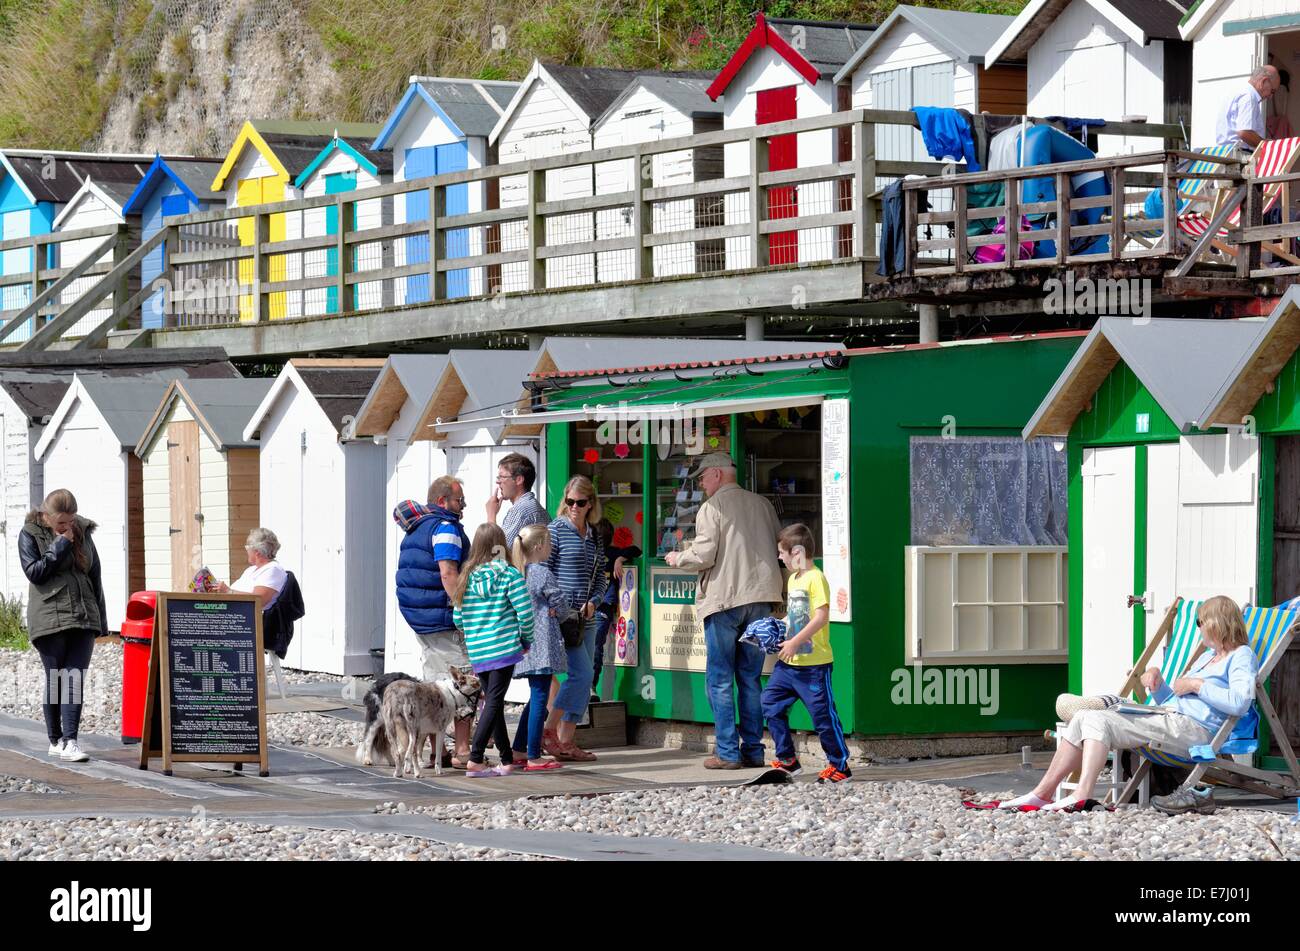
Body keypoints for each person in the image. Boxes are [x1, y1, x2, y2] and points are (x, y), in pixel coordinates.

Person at [1000, 595, 1257, 814]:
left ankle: (1083, 793)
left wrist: (1196, 685)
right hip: (1170, 716)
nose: (1199, 628)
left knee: (1097, 719)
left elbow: (1241, 702)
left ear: (1215, 623)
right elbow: (1175, 701)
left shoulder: (1241, 655)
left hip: (1195, 732)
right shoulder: (1209, 658)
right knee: (1084, 716)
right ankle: (1042, 793)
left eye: (1200, 622)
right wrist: (1159, 687)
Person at [666, 452, 783, 769]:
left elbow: (704, 554)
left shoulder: (712, 507)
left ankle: (728, 754)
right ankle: (754, 752)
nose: (702, 484)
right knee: (750, 678)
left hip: (724, 601)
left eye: (703, 477)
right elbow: (778, 547)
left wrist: (679, 558)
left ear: (717, 474)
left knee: (719, 680)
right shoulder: (763, 505)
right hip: (760, 601)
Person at [19, 489, 108, 764]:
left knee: (74, 679)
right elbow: (34, 572)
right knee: (56, 678)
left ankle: (71, 741)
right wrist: (59, 546)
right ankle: (55, 740)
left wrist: (101, 621)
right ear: (46, 516)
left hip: (84, 617)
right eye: (61, 523)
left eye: (70, 522)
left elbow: (95, 575)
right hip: (49, 617)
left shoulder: (82, 530)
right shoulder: (30, 534)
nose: (67, 527)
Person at [762, 524, 852, 784]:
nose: (780, 557)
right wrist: (778, 631)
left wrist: (795, 642)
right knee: (769, 703)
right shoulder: (793, 579)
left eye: (782, 552)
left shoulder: (816, 578)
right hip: (789, 663)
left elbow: (821, 617)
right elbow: (797, 615)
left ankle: (840, 766)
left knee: (823, 717)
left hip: (814, 665)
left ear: (797, 552)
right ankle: (788, 760)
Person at [393, 476, 473, 767]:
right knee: (463, 684)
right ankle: (463, 751)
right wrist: (464, 610)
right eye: (459, 500)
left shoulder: (416, 529)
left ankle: (434, 753)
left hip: (421, 620)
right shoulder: (445, 528)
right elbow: (448, 573)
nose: (463, 505)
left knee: (433, 688)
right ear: (442, 501)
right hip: (443, 618)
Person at [451, 523, 534, 778]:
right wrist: (525, 639)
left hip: (479, 650)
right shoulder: (510, 574)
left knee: (492, 701)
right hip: (504, 646)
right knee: (494, 701)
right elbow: (526, 614)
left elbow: (458, 619)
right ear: (501, 545)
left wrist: (474, 633)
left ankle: (506, 759)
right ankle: (475, 758)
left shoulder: (466, 576)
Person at [542, 475, 607, 762]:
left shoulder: (594, 534)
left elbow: (601, 578)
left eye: (580, 503)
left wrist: (594, 601)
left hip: (587, 617)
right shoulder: (555, 531)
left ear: (590, 504)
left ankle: (566, 741)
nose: (574, 507)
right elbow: (542, 573)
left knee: (586, 676)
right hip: (562, 617)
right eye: (570, 502)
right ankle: (549, 730)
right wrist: (558, 606)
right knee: (580, 674)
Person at [508, 524, 566, 770]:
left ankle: (519, 750)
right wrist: (558, 612)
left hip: (526, 644)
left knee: (535, 698)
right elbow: (560, 604)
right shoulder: (543, 573)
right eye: (550, 544)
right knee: (540, 697)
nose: (551, 549)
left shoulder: (518, 573)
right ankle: (533, 755)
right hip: (543, 645)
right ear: (540, 547)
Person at [591, 518, 640, 695]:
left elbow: (636, 550)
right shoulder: (586, 551)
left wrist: (619, 558)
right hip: (588, 607)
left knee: (595, 647)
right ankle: (588, 685)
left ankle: (591, 685)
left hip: (602, 608)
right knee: (591, 647)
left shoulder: (611, 553)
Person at [486, 452, 548, 549]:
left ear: (519, 480)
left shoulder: (520, 511)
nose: (498, 481)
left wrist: (491, 514)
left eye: (502, 477)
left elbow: (499, 552)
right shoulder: (536, 508)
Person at [215, 527, 288, 608]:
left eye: (247, 547)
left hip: (249, 618)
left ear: (257, 552)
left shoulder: (273, 570)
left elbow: (258, 600)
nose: (246, 551)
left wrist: (228, 591)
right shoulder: (251, 570)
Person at [1214, 65, 1280, 149]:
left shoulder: (1237, 91)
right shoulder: (1249, 96)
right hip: (1239, 156)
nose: (1270, 97)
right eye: (1272, 91)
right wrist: (1267, 145)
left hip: (1225, 152)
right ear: (1263, 81)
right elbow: (1245, 132)